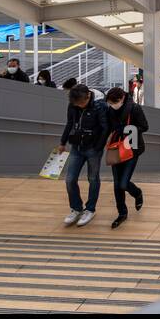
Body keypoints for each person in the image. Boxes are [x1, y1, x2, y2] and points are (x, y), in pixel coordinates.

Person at [58, 83, 110, 227]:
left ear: (88, 96)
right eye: (77, 104)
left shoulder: (100, 105)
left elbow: (105, 128)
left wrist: (98, 147)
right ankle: (76, 208)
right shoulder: (73, 103)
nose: (79, 106)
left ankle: (90, 209)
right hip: (77, 146)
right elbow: (70, 122)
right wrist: (63, 142)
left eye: (82, 103)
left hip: (93, 148)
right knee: (70, 179)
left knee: (92, 178)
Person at [104, 86, 148, 229]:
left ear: (122, 98)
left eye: (114, 103)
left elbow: (144, 126)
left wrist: (126, 130)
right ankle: (122, 213)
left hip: (132, 148)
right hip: (117, 148)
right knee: (117, 184)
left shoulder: (134, 109)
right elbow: (110, 126)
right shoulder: (111, 109)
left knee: (123, 183)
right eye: (110, 103)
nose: (112, 106)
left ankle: (137, 193)